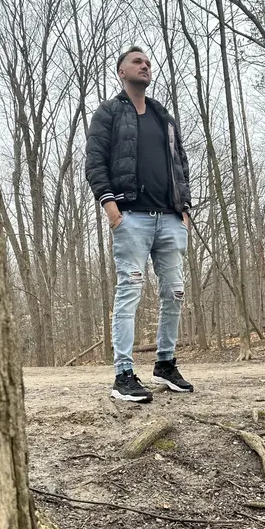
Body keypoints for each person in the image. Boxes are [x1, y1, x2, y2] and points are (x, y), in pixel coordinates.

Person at [86, 46, 194, 402]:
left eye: (148, 63)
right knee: (130, 291)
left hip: (170, 218)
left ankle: (165, 364)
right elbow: (95, 161)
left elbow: (181, 163)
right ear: (121, 72)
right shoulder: (109, 112)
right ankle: (123, 375)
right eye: (137, 62)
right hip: (131, 218)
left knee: (175, 292)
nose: (145, 66)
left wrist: (185, 209)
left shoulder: (164, 117)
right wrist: (111, 208)